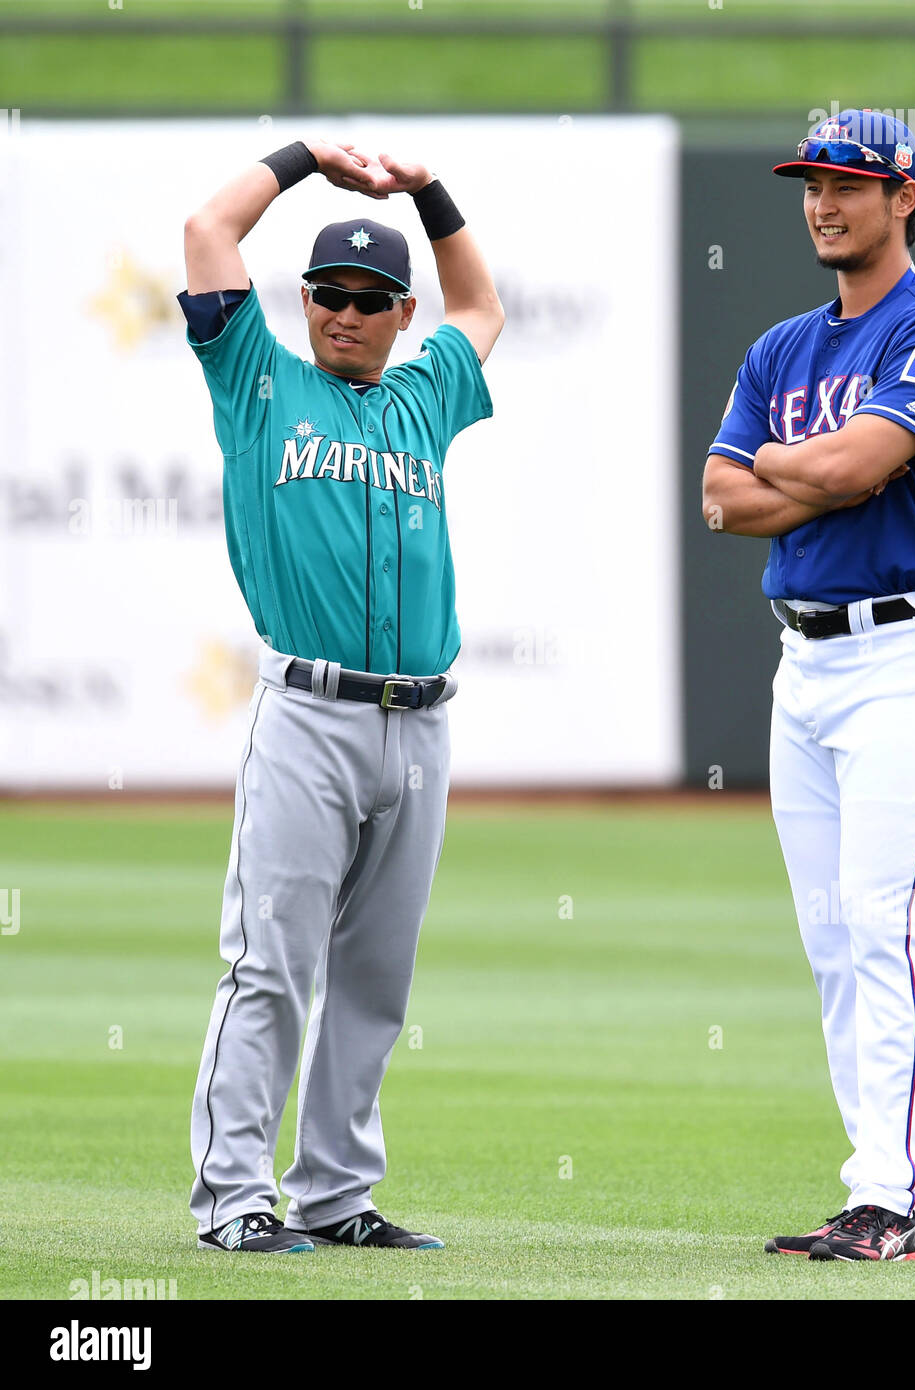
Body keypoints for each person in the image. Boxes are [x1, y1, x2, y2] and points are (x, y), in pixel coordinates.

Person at [179, 137, 504, 1253]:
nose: (349, 313)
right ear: (304, 300)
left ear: (399, 313)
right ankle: (233, 1197)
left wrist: (429, 195)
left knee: (374, 977)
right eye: (330, 295)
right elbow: (207, 233)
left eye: (371, 299)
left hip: (420, 722)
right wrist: (308, 160)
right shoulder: (258, 380)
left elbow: (482, 302)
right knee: (271, 963)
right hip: (308, 714)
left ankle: (335, 1194)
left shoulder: (424, 396)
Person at [702, 110, 915, 1261]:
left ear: (903, 195)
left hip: (908, 654)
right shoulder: (782, 347)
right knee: (834, 938)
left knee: (885, 927)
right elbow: (724, 500)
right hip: (804, 664)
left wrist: (799, 466)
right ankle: (868, 1183)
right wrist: (810, 472)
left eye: (850, 183)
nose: (825, 202)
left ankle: (898, 1199)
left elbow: (847, 463)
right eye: (811, 183)